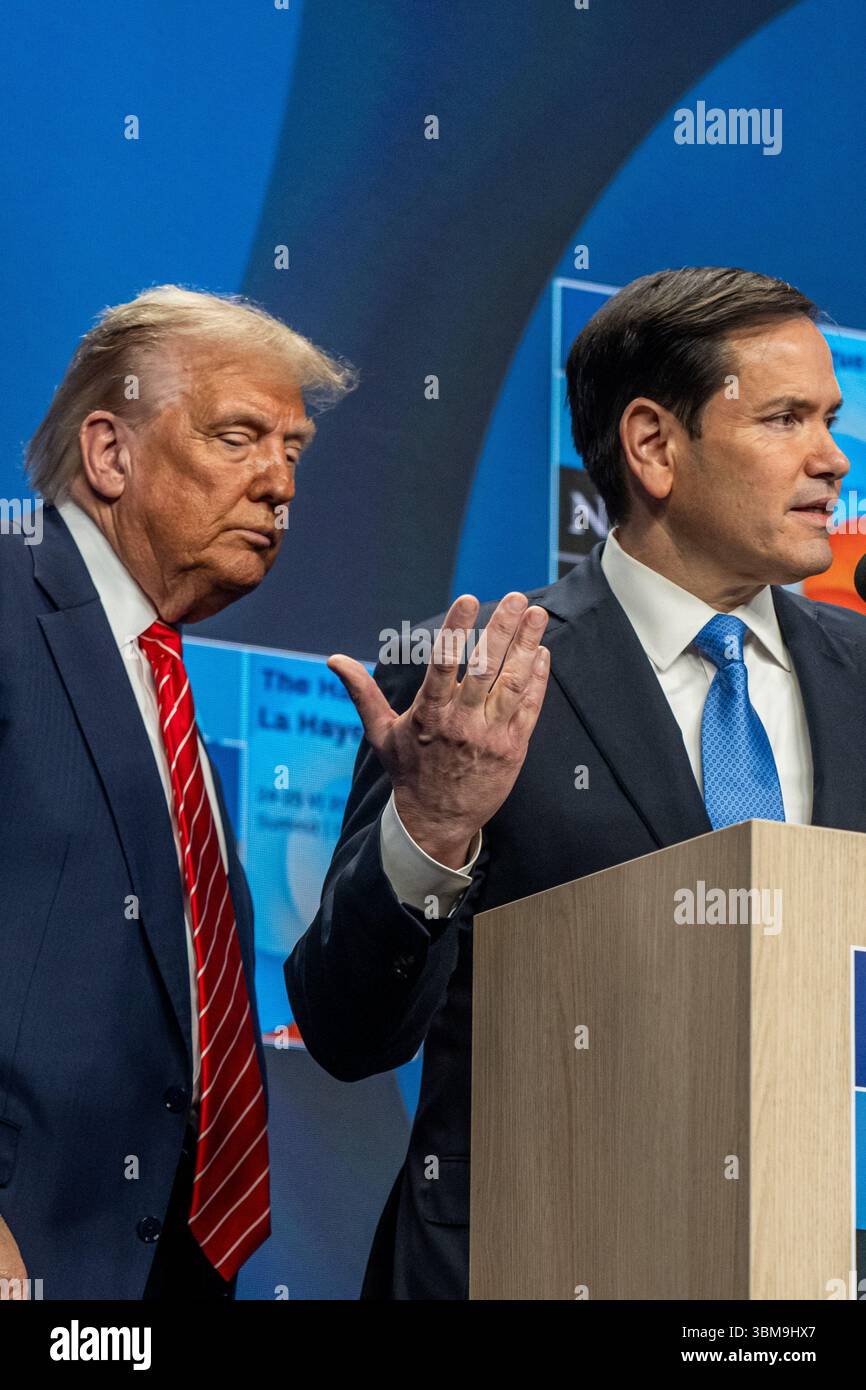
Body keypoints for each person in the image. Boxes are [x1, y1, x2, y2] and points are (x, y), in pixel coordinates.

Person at [286, 265, 857, 1299]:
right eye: (784, 419)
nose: (832, 458)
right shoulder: (476, 690)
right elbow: (347, 1032)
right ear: (651, 446)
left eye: (829, 418)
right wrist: (434, 827)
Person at [0, 285, 354, 1299]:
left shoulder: (159, 684)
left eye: (291, 452)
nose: (278, 484)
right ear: (110, 453)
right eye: (239, 436)